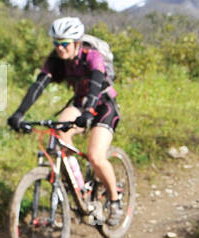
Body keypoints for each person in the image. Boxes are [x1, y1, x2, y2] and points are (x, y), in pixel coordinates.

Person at [7, 17, 123, 226]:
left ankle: (115, 201)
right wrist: (19, 114)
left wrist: (89, 111)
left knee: (96, 156)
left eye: (65, 43)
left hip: (103, 104)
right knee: (59, 133)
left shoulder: (91, 56)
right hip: (79, 104)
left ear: (77, 42)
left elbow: (96, 82)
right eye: (56, 43)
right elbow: (38, 86)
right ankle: (79, 188)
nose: (60, 49)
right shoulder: (56, 60)